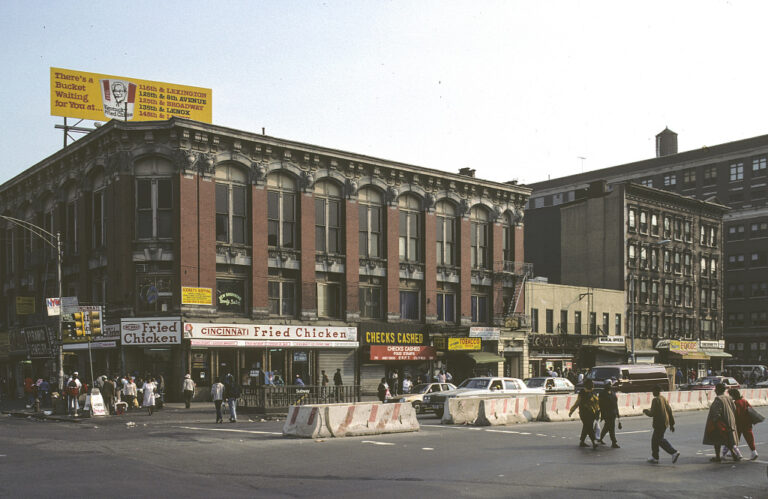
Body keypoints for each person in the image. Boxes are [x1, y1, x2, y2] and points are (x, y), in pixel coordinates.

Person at [703, 383, 740, 462]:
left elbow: (716, 413)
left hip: (720, 423)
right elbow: (734, 409)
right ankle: (734, 455)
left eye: (716, 389)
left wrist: (715, 421)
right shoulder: (729, 398)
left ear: (718, 390)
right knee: (727, 440)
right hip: (729, 421)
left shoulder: (718, 399)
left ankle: (718, 457)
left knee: (717, 440)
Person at [643, 385, 680, 464]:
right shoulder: (663, 398)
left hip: (659, 423)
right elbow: (669, 410)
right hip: (664, 423)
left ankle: (673, 452)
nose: (652, 393)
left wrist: (645, 411)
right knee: (654, 440)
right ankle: (655, 457)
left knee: (659, 440)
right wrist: (671, 424)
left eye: (653, 391)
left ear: (657, 391)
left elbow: (652, 413)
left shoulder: (655, 400)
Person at [726, 388, 758, 460]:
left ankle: (734, 453)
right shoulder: (744, 401)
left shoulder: (735, 403)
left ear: (733, 395)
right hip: (747, 422)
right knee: (749, 438)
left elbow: (735, 414)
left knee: (735, 438)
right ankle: (754, 452)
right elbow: (751, 410)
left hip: (738, 423)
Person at [569, 378, 600, 449]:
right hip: (584, 413)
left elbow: (596, 404)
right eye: (591, 384)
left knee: (586, 427)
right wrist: (571, 410)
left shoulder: (593, 393)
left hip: (592, 413)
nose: (593, 385)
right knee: (589, 427)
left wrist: (598, 412)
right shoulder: (583, 393)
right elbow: (577, 402)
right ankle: (594, 441)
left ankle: (582, 441)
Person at [598, 383, 621, 448]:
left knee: (607, 427)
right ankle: (614, 442)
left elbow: (615, 405)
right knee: (611, 428)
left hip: (612, 413)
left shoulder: (612, 394)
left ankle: (600, 438)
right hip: (607, 414)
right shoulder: (603, 394)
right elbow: (601, 405)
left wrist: (618, 414)